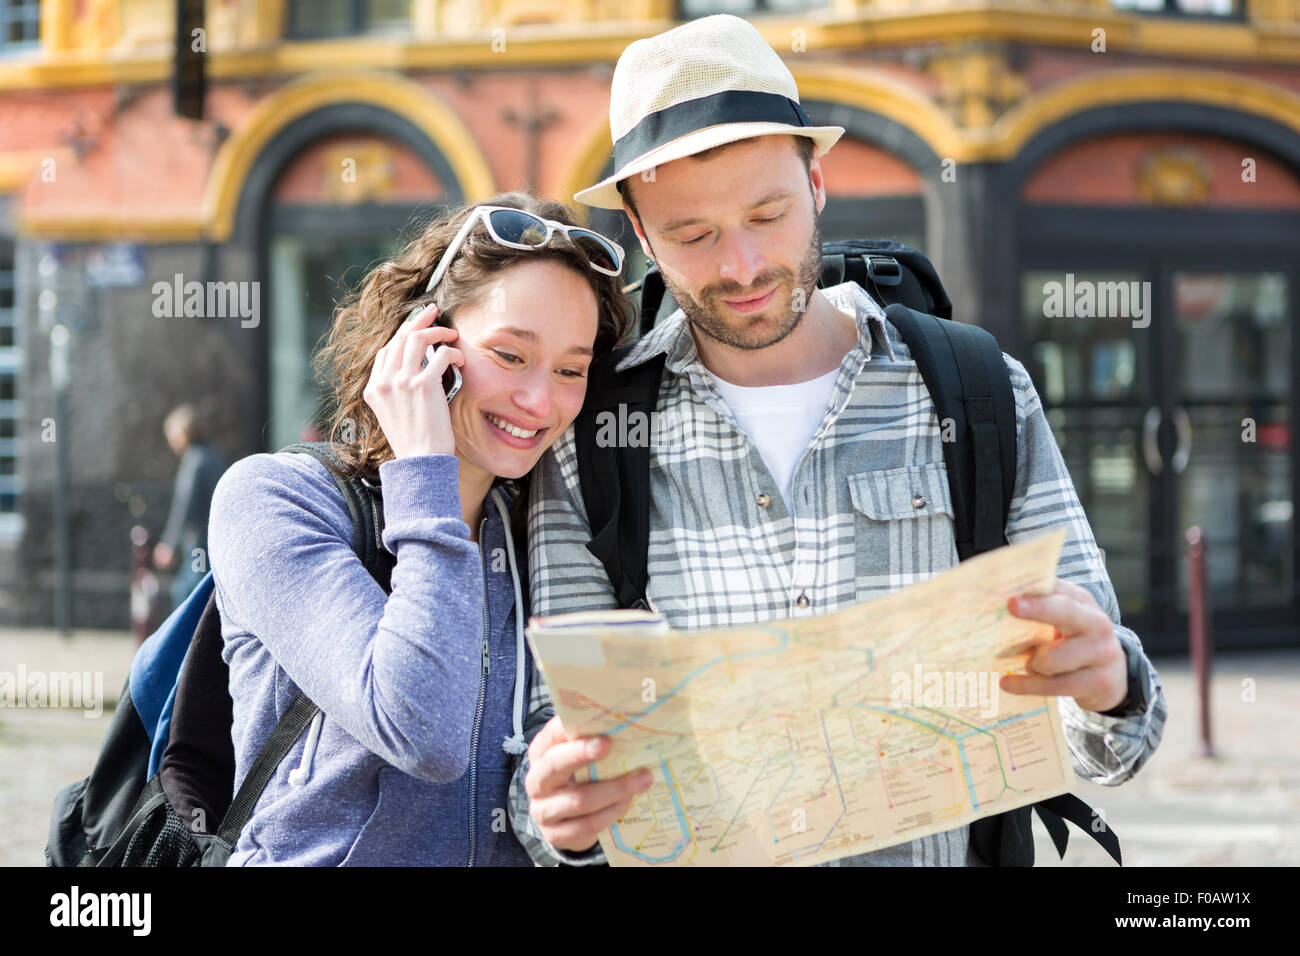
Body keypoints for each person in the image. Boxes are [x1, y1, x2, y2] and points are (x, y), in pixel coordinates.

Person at [508, 15, 1167, 867]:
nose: (741, 265)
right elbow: (541, 780)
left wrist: (1105, 683)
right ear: (641, 234)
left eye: (767, 213)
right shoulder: (589, 437)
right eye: (693, 235)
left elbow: (1114, 742)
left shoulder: (976, 391)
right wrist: (560, 812)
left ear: (817, 184)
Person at [206, 193, 633, 865]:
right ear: (423, 340)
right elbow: (422, 730)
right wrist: (427, 472)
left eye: (570, 370)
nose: (540, 401)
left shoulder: (542, 529)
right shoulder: (274, 499)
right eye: (511, 355)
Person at [154, 403, 229, 611]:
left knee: (187, 594)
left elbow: (184, 505)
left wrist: (169, 544)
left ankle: (188, 641)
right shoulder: (214, 455)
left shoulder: (194, 461)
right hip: (215, 540)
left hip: (197, 545)